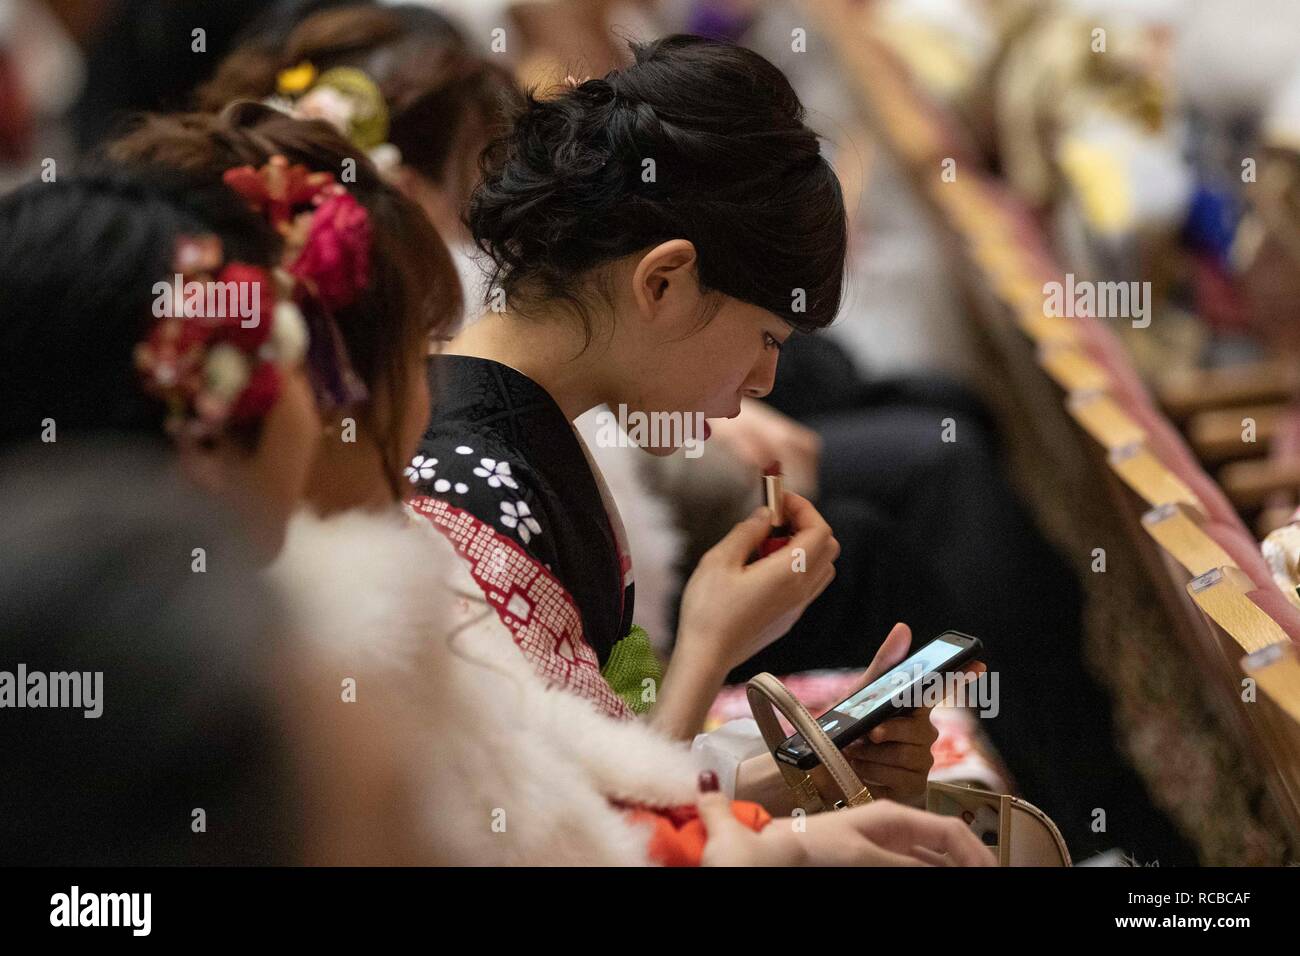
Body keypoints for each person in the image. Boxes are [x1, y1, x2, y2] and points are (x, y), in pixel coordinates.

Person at [106, 105, 994, 865]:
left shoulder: (498, 462)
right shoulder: (457, 499)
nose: (432, 377)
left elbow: (586, 773)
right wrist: (708, 657)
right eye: (767, 339)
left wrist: (771, 761)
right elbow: (585, 816)